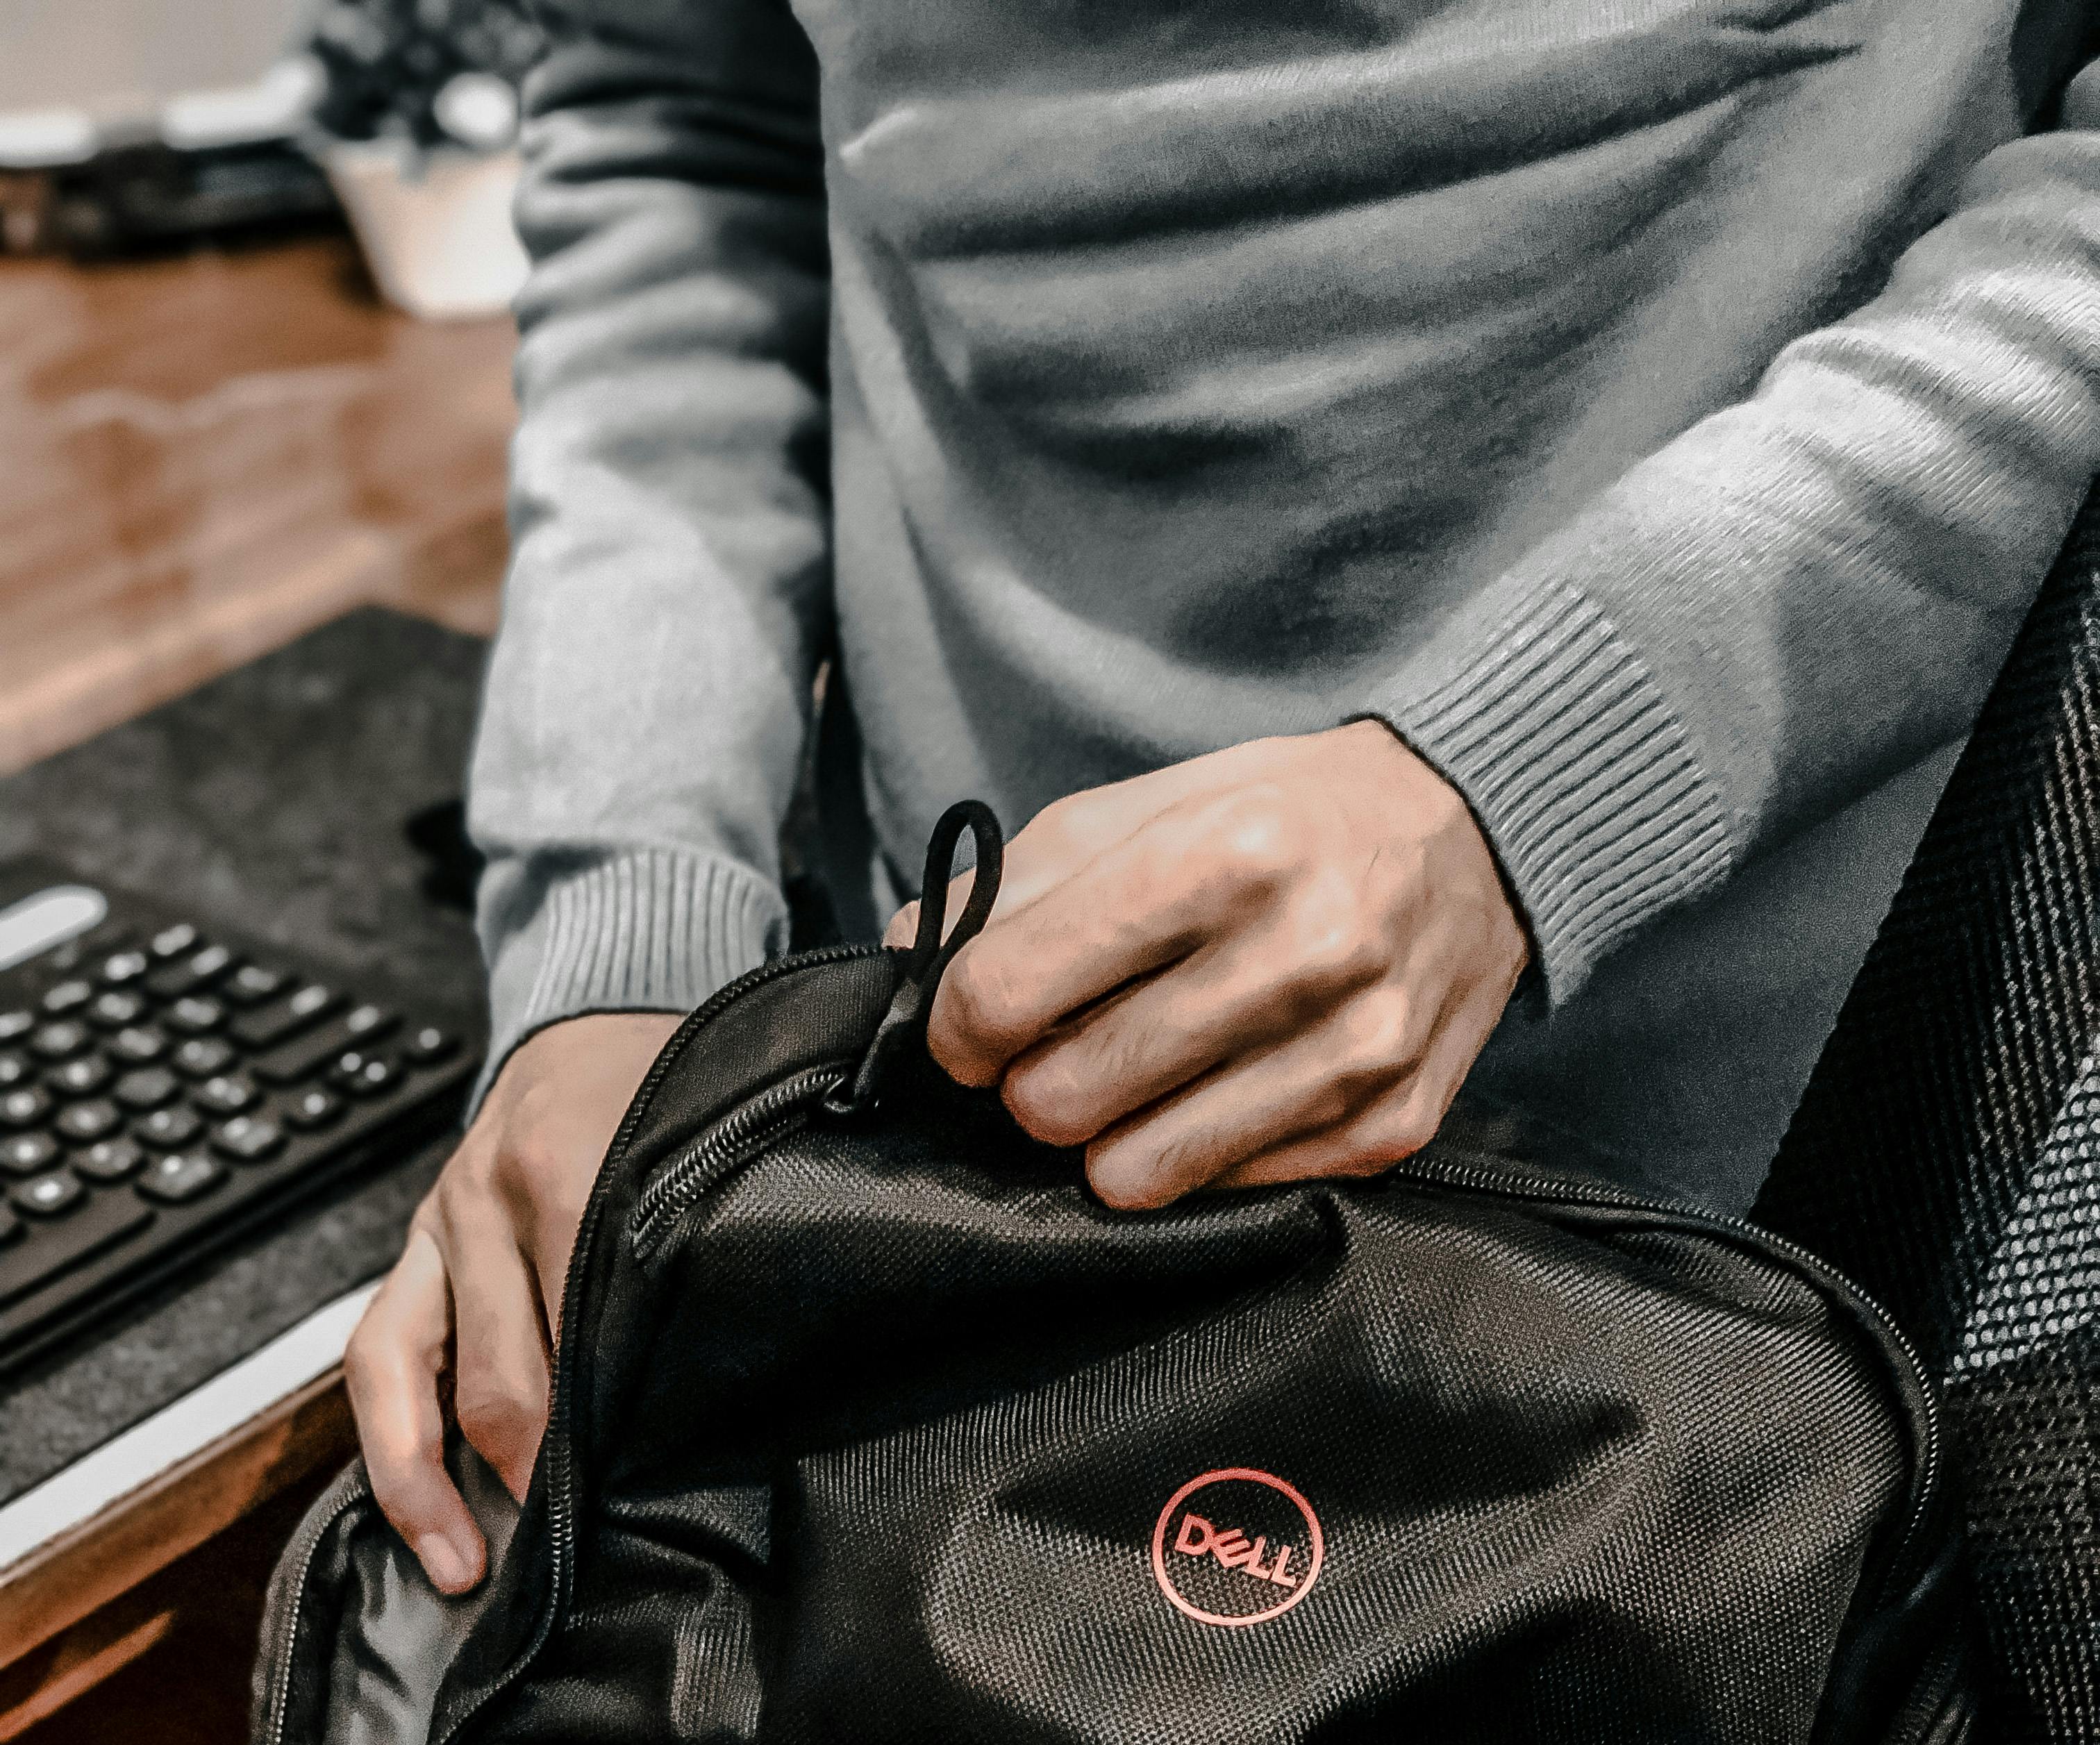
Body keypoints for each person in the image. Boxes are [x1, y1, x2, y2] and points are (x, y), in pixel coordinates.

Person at [347, 0, 2100, 1596]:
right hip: (944, 1160)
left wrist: (1525, 779)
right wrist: (617, 948)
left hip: (1817, 1191)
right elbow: (689, 120)